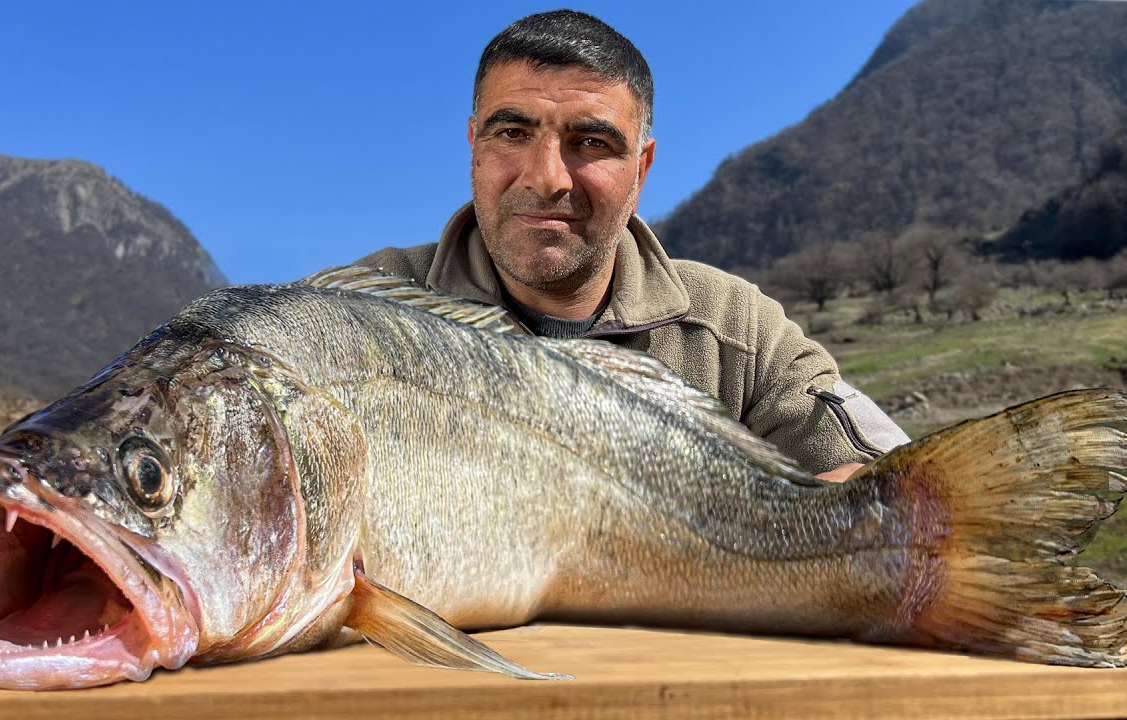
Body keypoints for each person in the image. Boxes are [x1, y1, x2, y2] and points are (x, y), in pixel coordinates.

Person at [353, 10, 907, 480]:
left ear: (640, 168)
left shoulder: (736, 332)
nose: (548, 178)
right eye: (512, 134)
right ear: (474, 144)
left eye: (590, 142)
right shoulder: (355, 320)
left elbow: (896, 482)